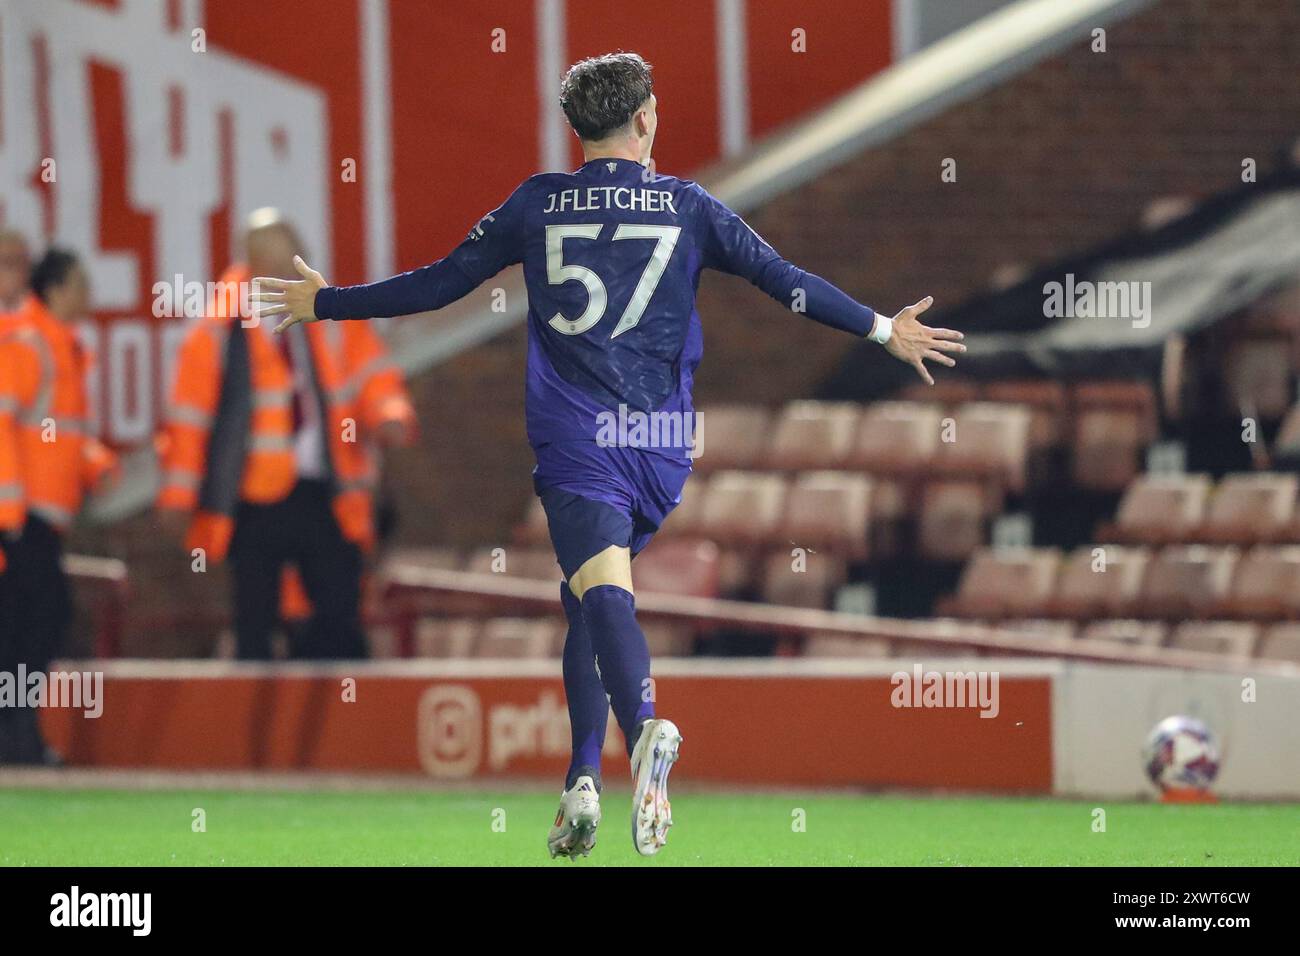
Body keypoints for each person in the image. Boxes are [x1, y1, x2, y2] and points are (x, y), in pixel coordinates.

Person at [252, 52, 963, 857]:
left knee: (601, 593)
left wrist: (327, 303)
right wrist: (881, 328)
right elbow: (782, 280)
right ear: (647, 117)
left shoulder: (537, 204)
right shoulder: (690, 207)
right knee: (586, 596)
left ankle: (644, 729)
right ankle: (581, 782)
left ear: (577, 128)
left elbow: (442, 284)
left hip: (579, 437)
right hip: (661, 444)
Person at [157, 209, 415, 660]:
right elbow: (189, 420)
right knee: (254, 623)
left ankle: (341, 713)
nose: (283, 273)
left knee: (340, 613)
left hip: (325, 491)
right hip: (254, 499)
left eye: (291, 261)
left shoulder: (333, 315)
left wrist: (389, 414)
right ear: (250, 265)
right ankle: (251, 726)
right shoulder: (217, 332)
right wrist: (178, 498)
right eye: (271, 264)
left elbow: (374, 377)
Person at [0, 248, 118, 764]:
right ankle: (18, 735)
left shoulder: (58, 346)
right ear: (54, 290)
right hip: (21, 516)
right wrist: (8, 508)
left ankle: (17, 736)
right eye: (79, 283)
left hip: (39, 515)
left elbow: (58, 433)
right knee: (41, 616)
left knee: (25, 621)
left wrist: (94, 465)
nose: (87, 293)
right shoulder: (31, 344)